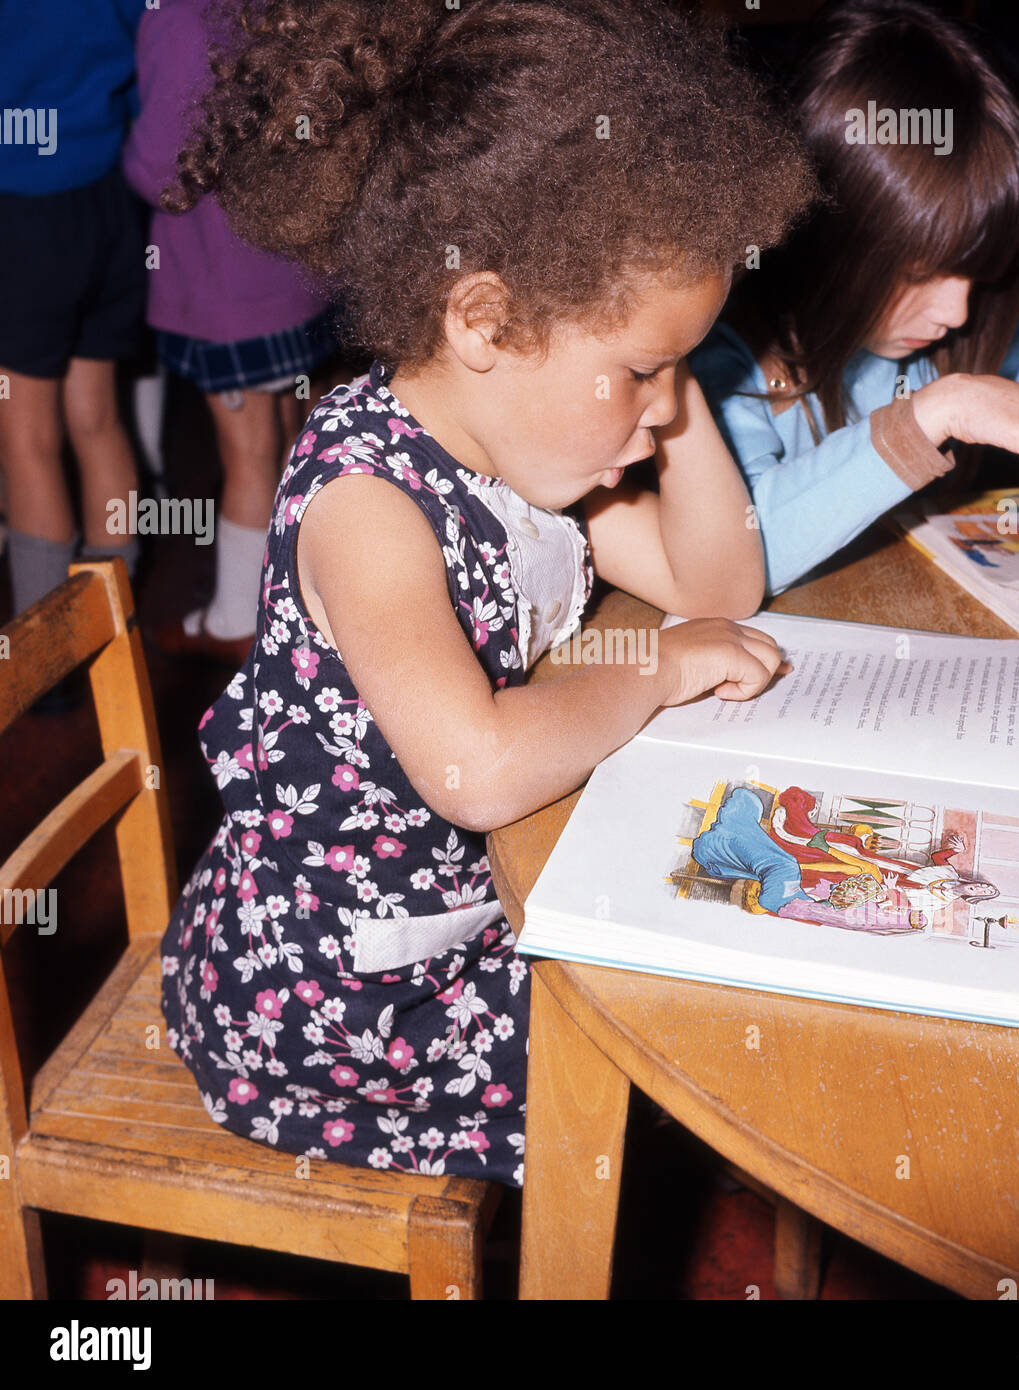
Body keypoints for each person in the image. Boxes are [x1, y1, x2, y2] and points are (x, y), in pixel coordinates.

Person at [158, 0, 813, 1184]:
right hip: (338, 991)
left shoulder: (521, 444)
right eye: (636, 372)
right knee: (666, 1064)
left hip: (454, 917)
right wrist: (657, 669)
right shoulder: (368, 502)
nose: (658, 408)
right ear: (484, 321)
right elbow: (473, 770)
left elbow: (717, 586)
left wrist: (671, 381)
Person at [689, 0, 1019, 597]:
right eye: (921, 273)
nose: (956, 313)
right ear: (820, 235)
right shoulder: (722, 355)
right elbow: (738, 552)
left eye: (978, 275)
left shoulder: (952, 326)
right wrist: (935, 411)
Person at [124, 0, 336, 664]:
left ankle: (235, 622)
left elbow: (158, 165)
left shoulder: (179, 19)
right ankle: (300, 601)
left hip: (227, 287)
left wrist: (123, 149)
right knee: (286, 439)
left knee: (247, 453)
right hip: (293, 273)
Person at [0, 0, 145, 624]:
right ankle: (115, 634)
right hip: (112, 199)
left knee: (25, 436)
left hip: (26, 206)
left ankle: (49, 663)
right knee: (98, 416)